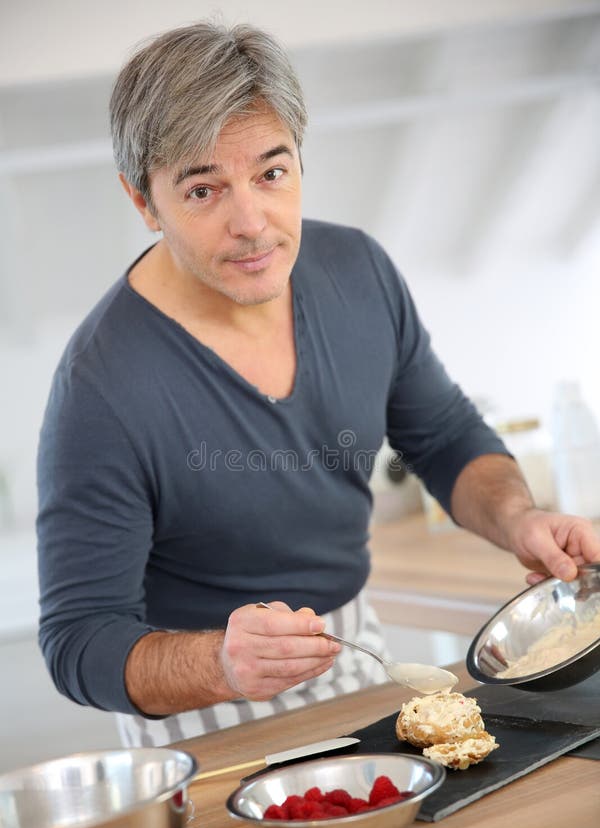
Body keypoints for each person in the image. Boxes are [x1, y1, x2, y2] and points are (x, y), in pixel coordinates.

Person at [37, 22, 600, 747]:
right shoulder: (100, 388)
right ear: (144, 201)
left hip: (356, 656)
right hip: (204, 709)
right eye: (203, 189)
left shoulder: (359, 271)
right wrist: (221, 662)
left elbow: (446, 436)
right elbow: (79, 641)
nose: (252, 223)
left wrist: (519, 520)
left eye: (271, 174)